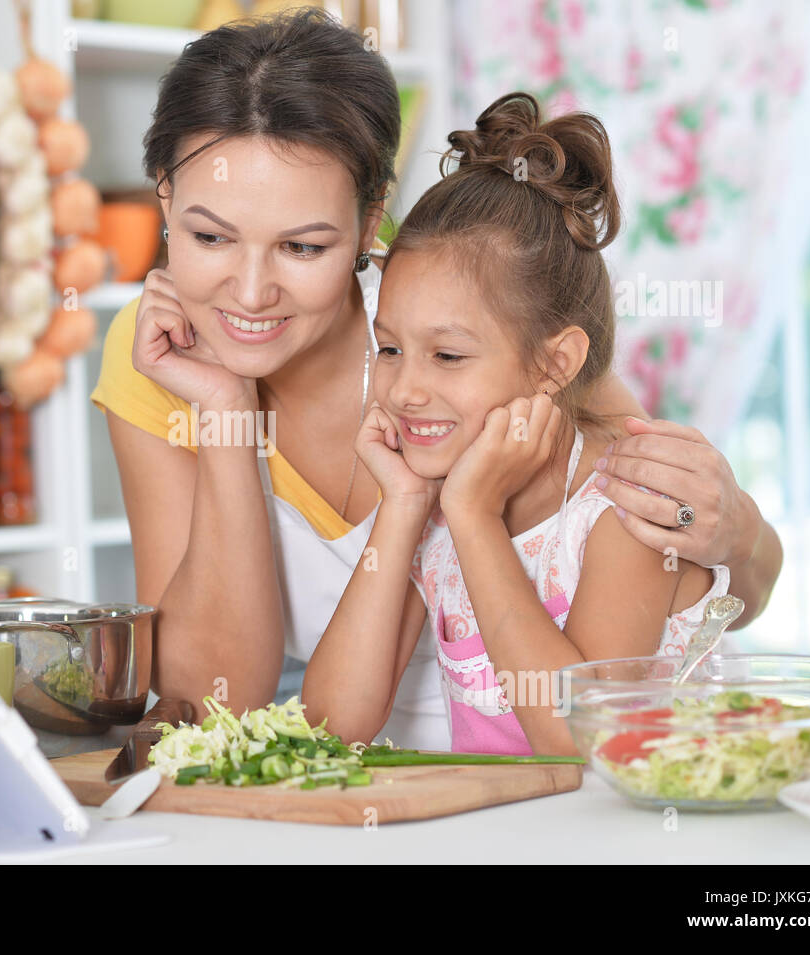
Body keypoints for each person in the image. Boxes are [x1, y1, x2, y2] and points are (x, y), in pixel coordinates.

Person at [89, 10, 781, 751]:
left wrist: (740, 537)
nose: (251, 292)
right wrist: (228, 410)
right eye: (210, 235)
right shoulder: (161, 354)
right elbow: (218, 697)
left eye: (301, 245)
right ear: (163, 200)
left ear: (367, 225)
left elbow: (695, 570)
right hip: (410, 785)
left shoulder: (471, 312)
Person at [302, 92, 730, 754]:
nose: (405, 388)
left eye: (447, 355)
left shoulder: (627, 510)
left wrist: (475, 517)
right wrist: (405, 504)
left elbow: (580, 743)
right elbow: (331, 723)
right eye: (389, 348)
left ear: (555, 363)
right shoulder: (435, 504)